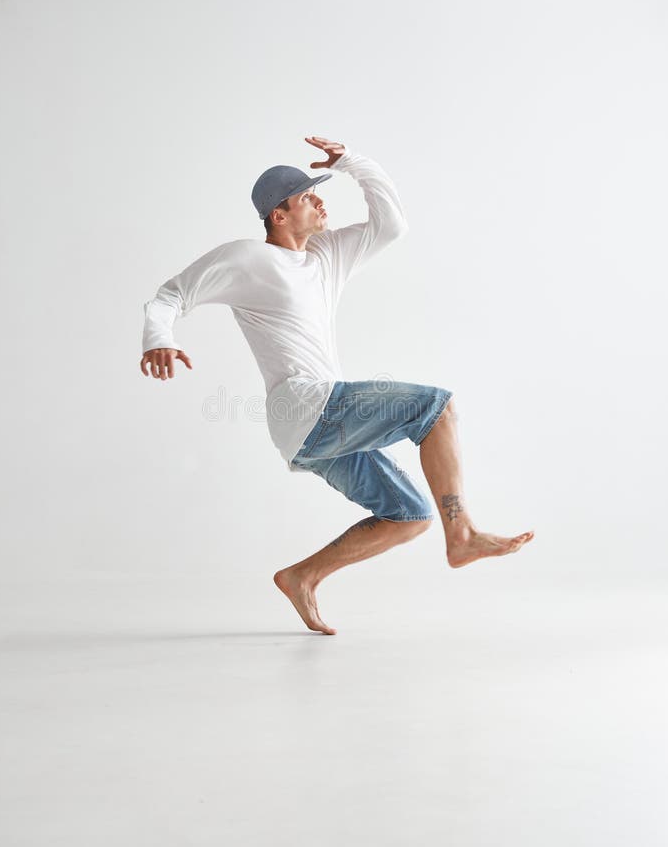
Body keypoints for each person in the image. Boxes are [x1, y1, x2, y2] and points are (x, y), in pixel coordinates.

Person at [140, 135, 534, 635]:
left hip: (314, 431)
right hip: (306, 407)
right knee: (438, 408)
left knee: (409, 514)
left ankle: (302, 576)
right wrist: (159, 339)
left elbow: (392, 225)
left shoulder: (327, 254)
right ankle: (464, 534)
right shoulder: (247, 259)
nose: (320, 201)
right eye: (306, 197)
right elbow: (171, 294)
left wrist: (353, 163)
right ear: (278, 215)